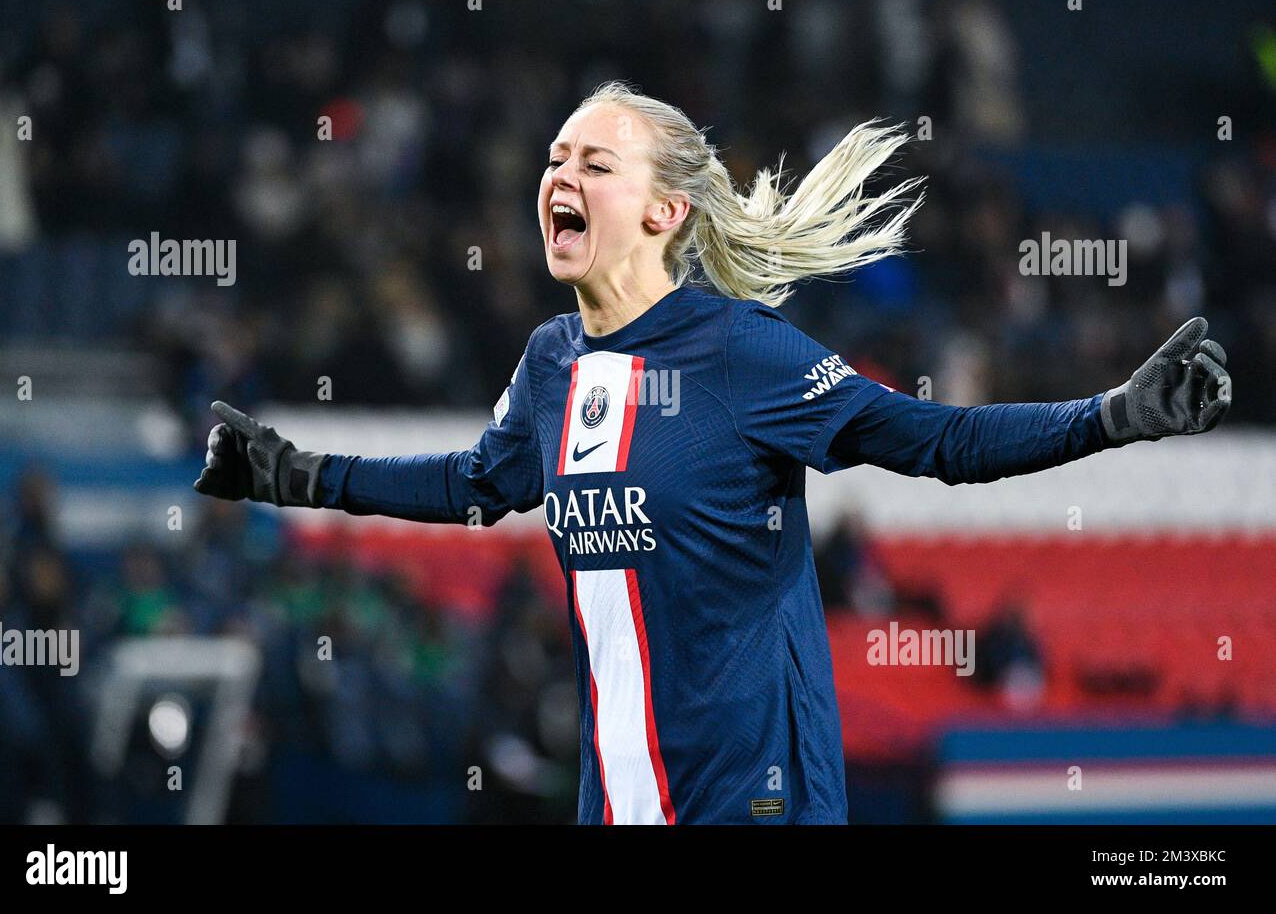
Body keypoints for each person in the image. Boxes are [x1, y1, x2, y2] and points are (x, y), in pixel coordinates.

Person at [194, 81, 1231, 824]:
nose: (559, 172)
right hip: (620, 796)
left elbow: (938, 440)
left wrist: (1111, 415)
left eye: (593, 161)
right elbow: (473, 483)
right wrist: (297, 475)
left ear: (663, 209)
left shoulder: (744, 353)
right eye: (555, 157)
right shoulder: (550, 362)